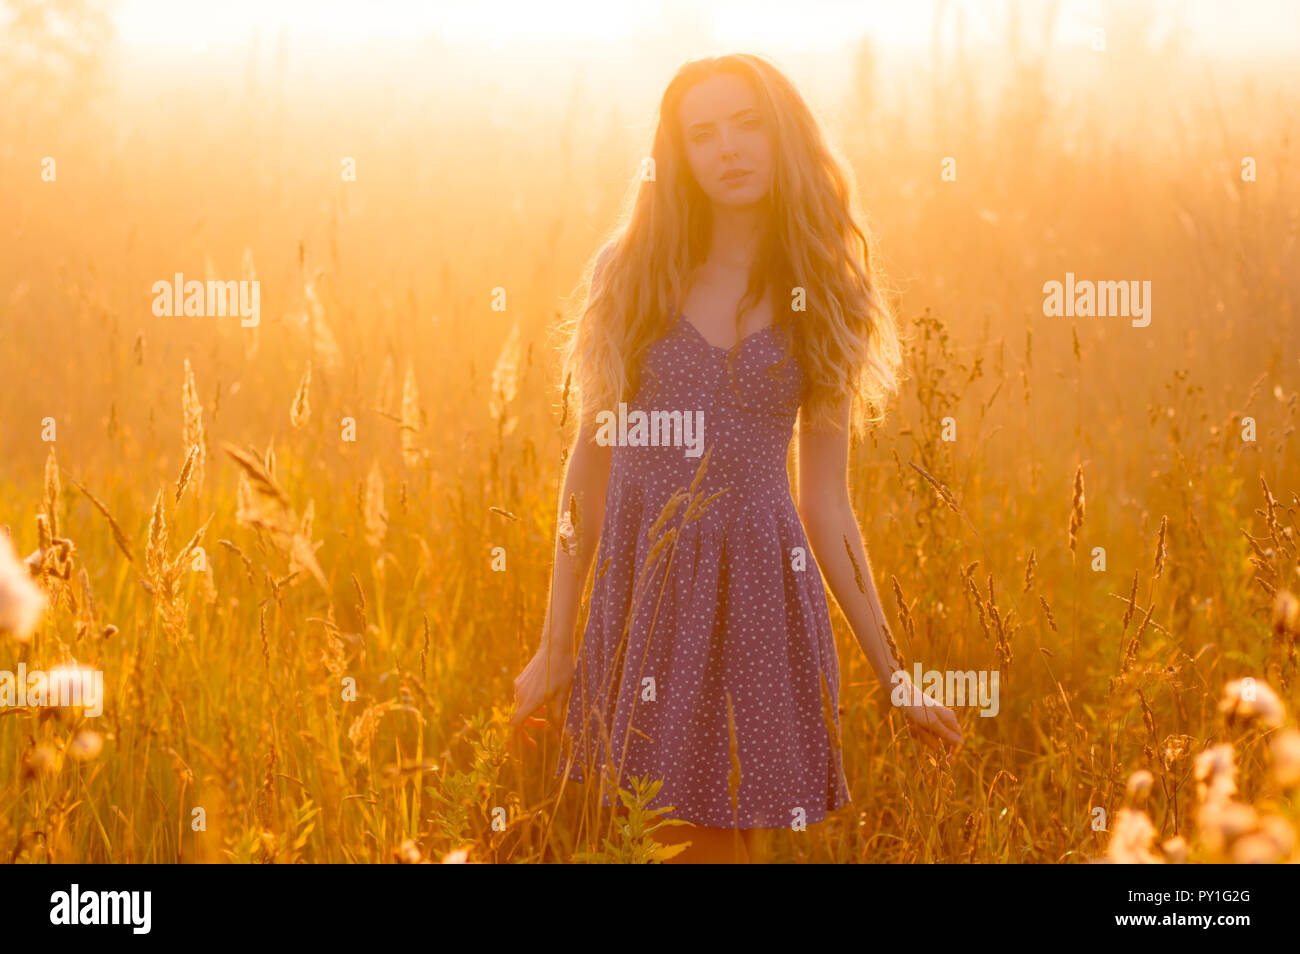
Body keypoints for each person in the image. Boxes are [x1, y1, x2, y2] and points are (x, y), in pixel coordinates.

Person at [511, 52, 962, 863]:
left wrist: (894, 670)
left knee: (728, 839)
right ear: (677, 154)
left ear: (783, 134)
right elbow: (588, 470)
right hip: (648, 591)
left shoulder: (824, 291)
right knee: (671, 838)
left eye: (747, 125)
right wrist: (556, 638)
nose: (728, 149)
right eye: (703, 134)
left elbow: (826, 504)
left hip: (761, 593)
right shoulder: (635, 275)